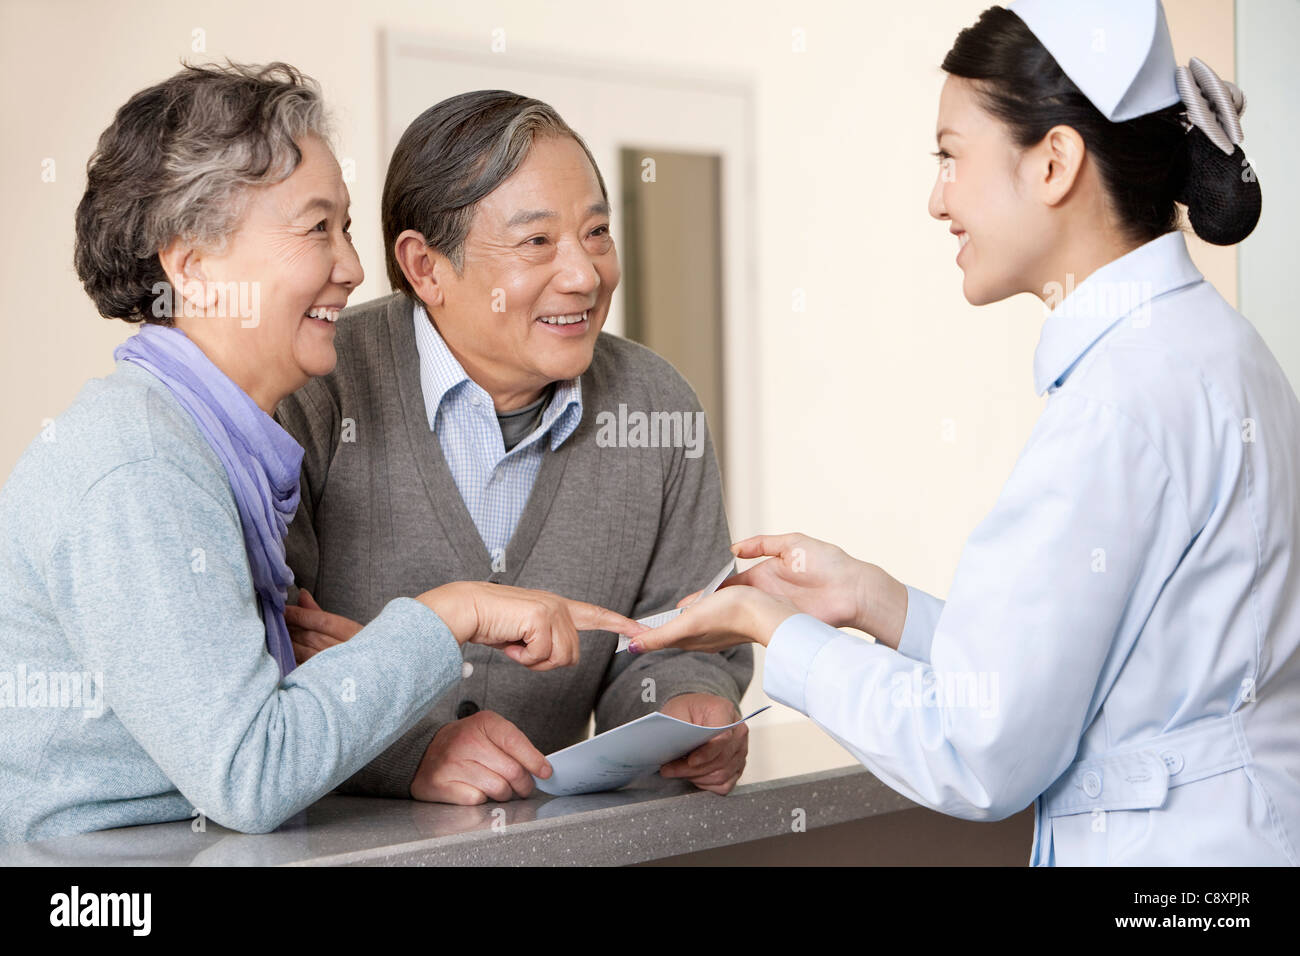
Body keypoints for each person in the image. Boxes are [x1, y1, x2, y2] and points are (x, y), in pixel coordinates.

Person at [630, 0, 1299, 866]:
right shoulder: (1216, 350)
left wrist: (774, 628)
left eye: (950, 156)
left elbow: (978, 751)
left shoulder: (1118, 401)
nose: (936, 199)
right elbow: (1079, 667)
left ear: (1054, 161)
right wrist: (877, 602)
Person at [0, 62, 640, 845]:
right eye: (316, 229)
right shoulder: (141, 469)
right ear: (193, 263)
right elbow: (251, 772)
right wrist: (452, 613)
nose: (354, 267)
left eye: (345, 226)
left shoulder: (201, 444)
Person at [275, 90, 753, 805]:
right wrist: (412, 751)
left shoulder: (657, 406)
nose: (586, 276)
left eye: (596, 232)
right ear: (426, 266)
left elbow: (670, 635)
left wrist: (687, 706)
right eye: (538, 242)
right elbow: (276, 656)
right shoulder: (315, 385)